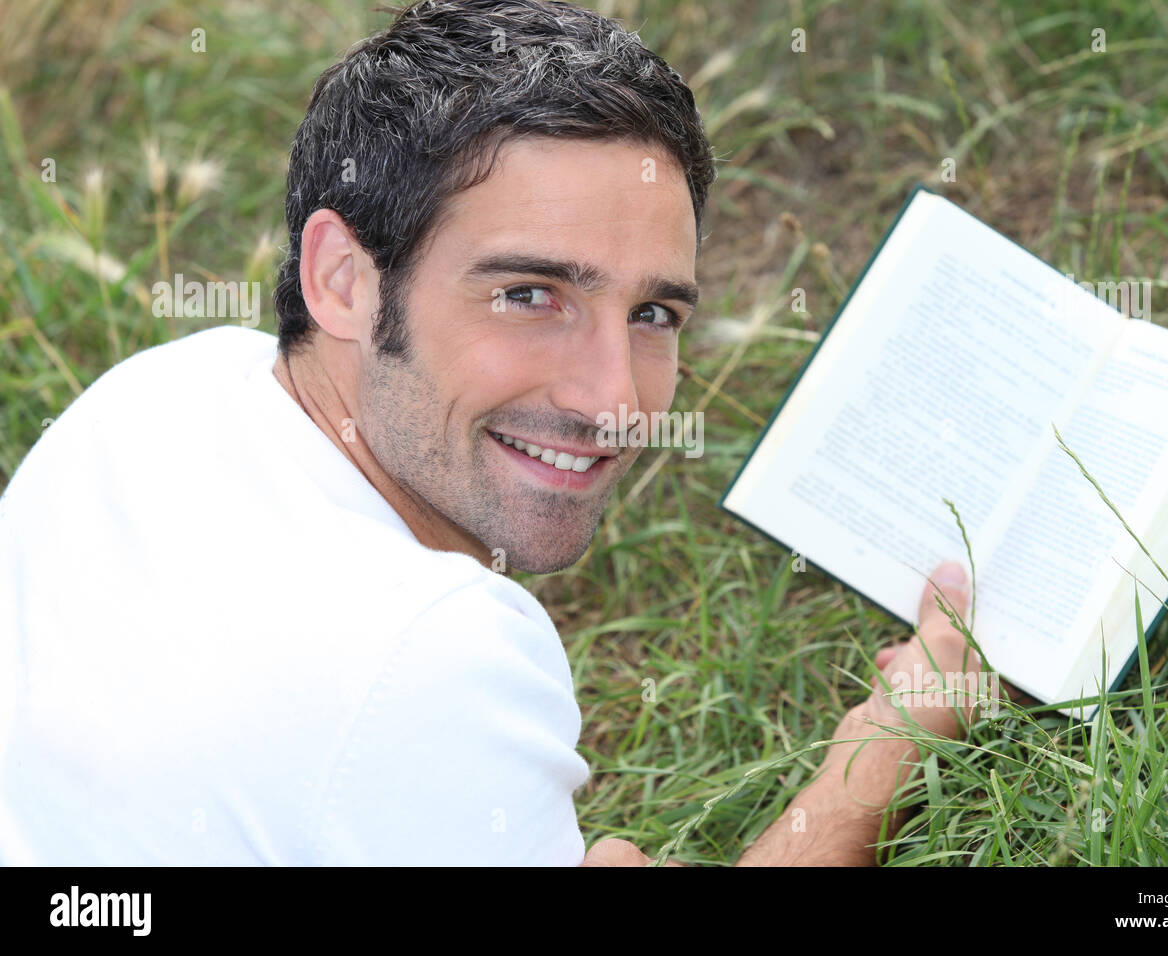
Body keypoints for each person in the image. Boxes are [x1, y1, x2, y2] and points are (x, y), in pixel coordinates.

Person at [0, 0, 1007, 866]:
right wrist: (877, 757)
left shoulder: (162, 389)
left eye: (653, 314)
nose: (612, 395)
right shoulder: (431, 649)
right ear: (344, 279)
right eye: (530, 293)